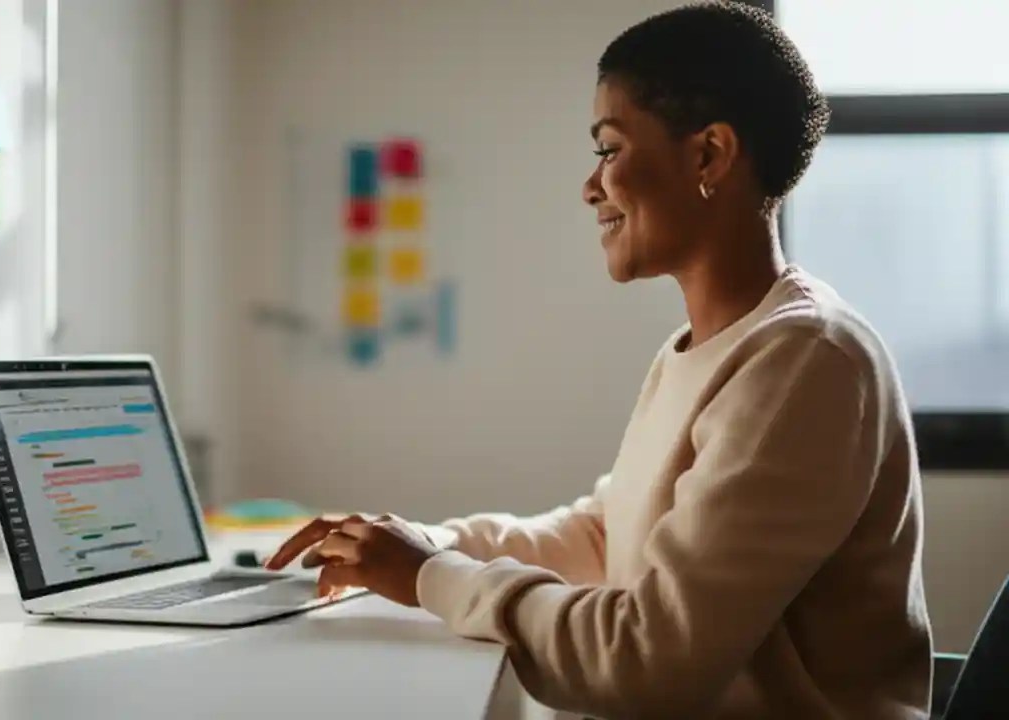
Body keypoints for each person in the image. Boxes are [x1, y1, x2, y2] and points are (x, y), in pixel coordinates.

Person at [265, 2, 933, 717]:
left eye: (609, 149)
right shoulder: (710, 349)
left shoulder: (808, 362)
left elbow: (648, 662)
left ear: (708, 155)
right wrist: (417, 545)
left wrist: (431, 575)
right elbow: (604, 533)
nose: (591, 186)